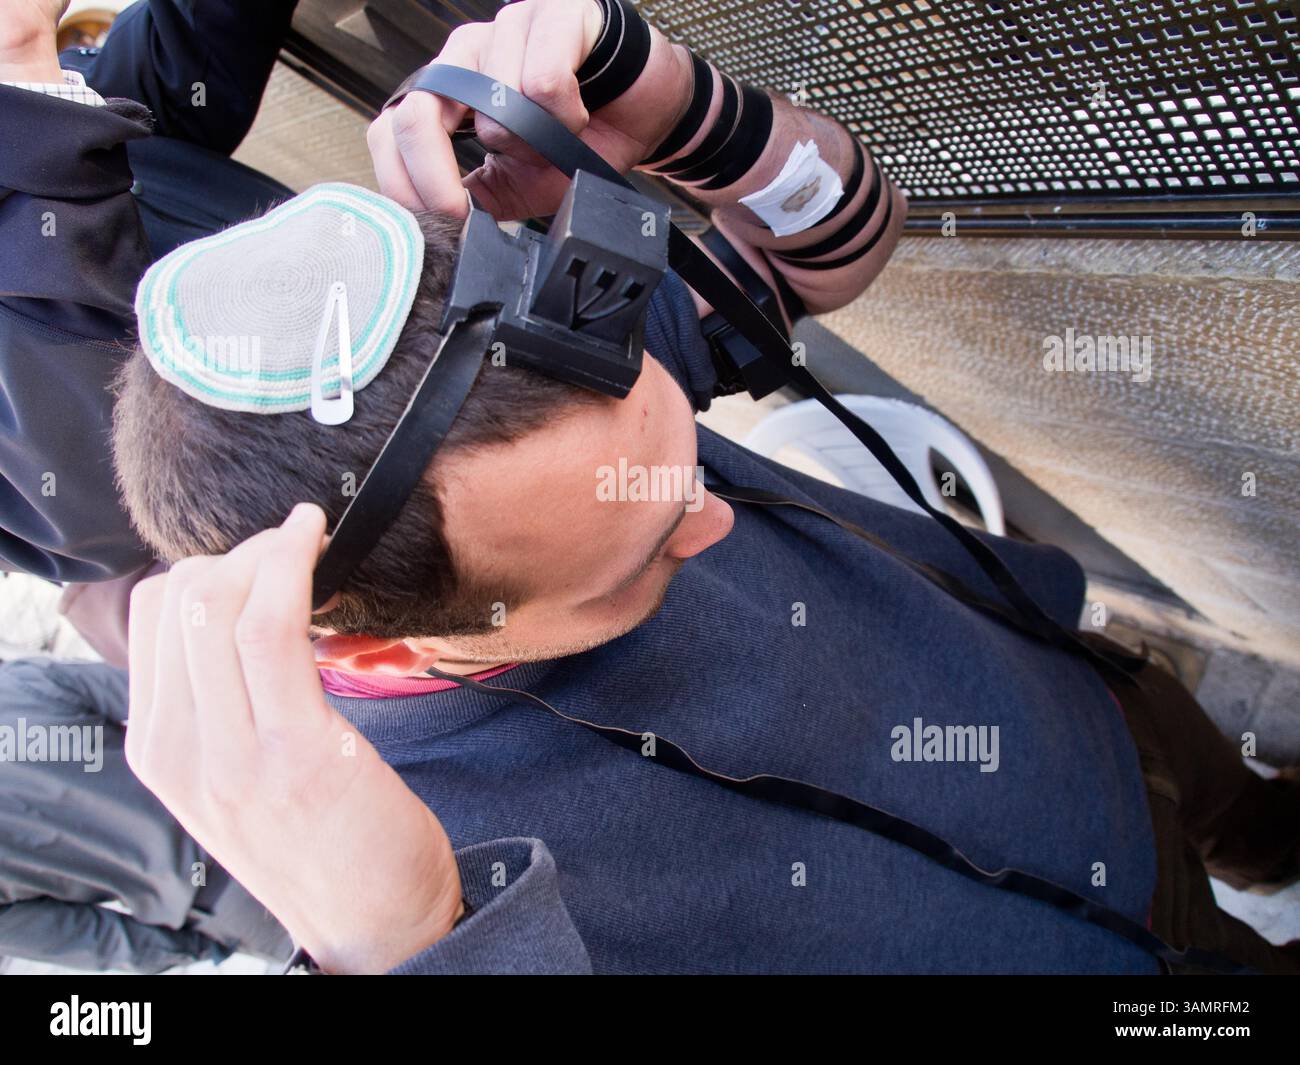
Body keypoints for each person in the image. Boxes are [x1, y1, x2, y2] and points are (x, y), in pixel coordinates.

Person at [14, 0, 1300, 975]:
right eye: (637, 552)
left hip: (1096, 709)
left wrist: (677, 105)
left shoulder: (549, 417)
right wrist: (422, 950)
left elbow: (836, 230)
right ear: (391, 632)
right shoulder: (438, 865)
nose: (722, 514)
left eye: (674, 448)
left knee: (1258, 824)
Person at [0, 656, 293, 971]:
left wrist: (200, 943)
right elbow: (170, 699)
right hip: (262, 799)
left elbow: (98, 941)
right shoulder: (15, 687)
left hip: (223, 898)